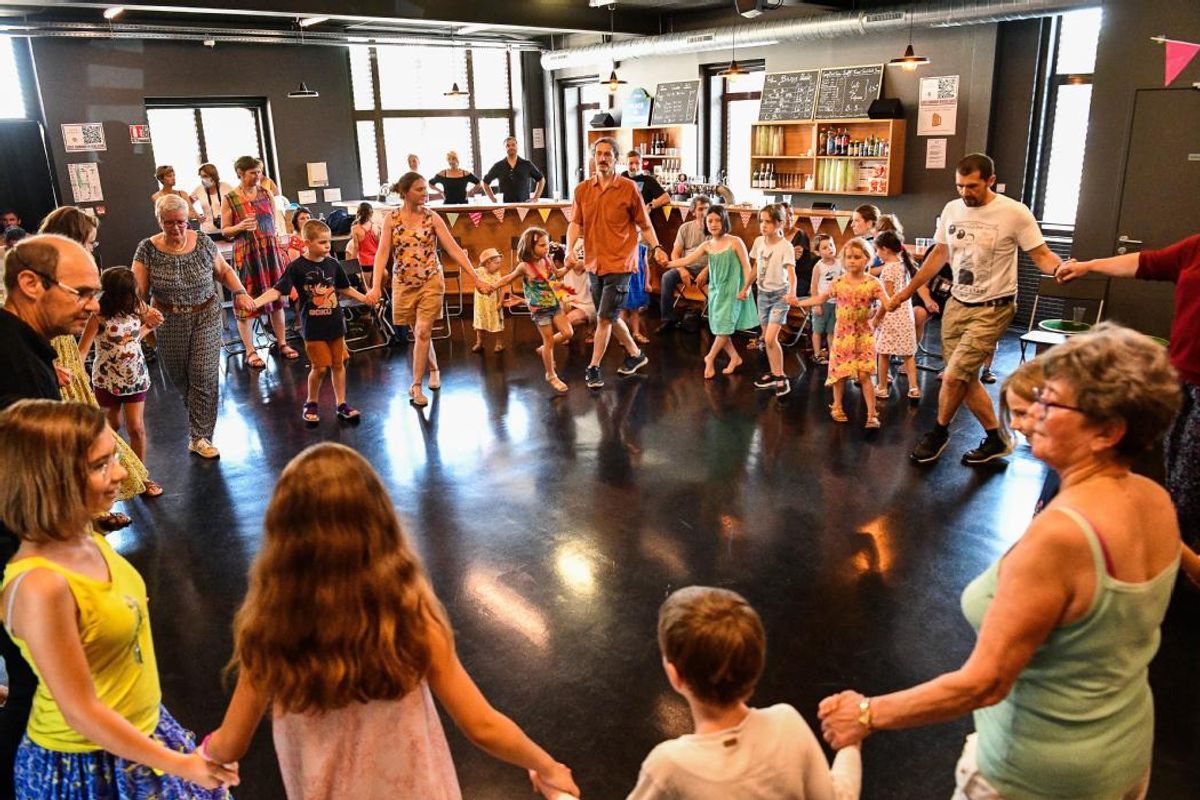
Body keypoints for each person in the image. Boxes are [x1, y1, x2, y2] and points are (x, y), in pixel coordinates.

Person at [818, 323, 1183, 800]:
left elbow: (984, 684)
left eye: (1052, 405)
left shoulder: (1062, 536)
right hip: (1124, 754)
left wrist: (865, 714)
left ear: (1108, 432)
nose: (1032, 414)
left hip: (1034, 774)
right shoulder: (1154, 500)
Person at [202, 442, 578, 799]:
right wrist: (546, 766)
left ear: (283, 536)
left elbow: (231, 743)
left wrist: (201, 752)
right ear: (377, 523)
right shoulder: (407, 615)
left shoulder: (270, 630)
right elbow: (481, 725)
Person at [0, 401, 239, 799]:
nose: (123, 473)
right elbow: (81, 711)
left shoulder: (86, 538)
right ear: (48, 479)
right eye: (100, 465)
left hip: (141, 728)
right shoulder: (40, 587)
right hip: (89, 765)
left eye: (114, 458)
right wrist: (182, 765)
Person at [0, 234, 102, 796]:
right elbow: (23, 483)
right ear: (30, 284)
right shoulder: (16, 364)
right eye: (80, 292)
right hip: (13, 554)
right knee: (39, 683)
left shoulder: (29, 352)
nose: (92, 303)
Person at [886, 153, 1062, 466]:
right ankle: (996, 438)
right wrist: (906, 293)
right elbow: (939, 255)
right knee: (965, 378)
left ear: (990, 180)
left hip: (994, 307)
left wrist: (1062, 269)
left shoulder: (1014, 213)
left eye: (973, 186)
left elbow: (1043, 256)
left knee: (953, 376)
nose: (965, 193)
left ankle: (938, 432)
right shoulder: (952, 209)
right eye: (960, 186)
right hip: (957, 303)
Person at [621, 586, 860, 800]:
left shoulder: (668, 767)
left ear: (675, 675)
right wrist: (851, 743)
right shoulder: (788, 724)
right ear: (756, 666)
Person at [1056, 234, 1200, 551]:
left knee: (1191, 480)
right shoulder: (1195, 248)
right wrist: (1088, 266)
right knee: (1176, 467)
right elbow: (1144, 263)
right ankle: (1175, 552)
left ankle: (1180, 563)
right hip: (1183, 378)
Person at [38, 207, 155, 518]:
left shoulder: (60, 275)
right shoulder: (39, 275)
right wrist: (47, 362)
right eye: (89, 243)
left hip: (66, 359)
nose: (92, 249)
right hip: (53, 359)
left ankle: (95, 506)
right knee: (74, 436)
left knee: (85, 434)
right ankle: (86, 508)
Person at [134, 194, 257, 459]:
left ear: (187, 220)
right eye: (169, 223)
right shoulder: (147, 248)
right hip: (168, 321)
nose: (176, 228)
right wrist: (144, 312)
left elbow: (223, 271)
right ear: (159, 221)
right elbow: (138, 292)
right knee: (181, 378)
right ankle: (200, 418)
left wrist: (239, 292)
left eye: (180, 222)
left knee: (203, 375)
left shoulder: (201, 241)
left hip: (206, 315)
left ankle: (200, 437)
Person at [367, 172, 475, 407]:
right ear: (405, 192)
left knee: (423, 330)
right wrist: (375, 286)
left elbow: (454, 250)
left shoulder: (432, 218)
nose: (425, 193)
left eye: (426, 189)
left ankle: (416, 386)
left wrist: (476, 278)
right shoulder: (391, 219)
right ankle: (434, 368)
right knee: (419, 332)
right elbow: (382, 253)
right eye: (419, 189)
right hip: (403, 283)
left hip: (430, 281)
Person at [566, 136, 666, 389]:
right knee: (609, 315)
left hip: (621, 263)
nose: (602, 158)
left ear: (615, 159)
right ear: (593, 157)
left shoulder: (629, 189)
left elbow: (645, 224)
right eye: (598, 154)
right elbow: (575, 224)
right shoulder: (582, 190)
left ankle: (594, 367)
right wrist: (569, 250)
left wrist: (657, 247)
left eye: (608, 154)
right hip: (594, 264)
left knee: (602, 319)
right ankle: (636, 355)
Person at [251, 219, 369, 424]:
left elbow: (344, 288)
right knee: (320, 367)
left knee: (338, 364)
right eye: (322, 242)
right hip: (313, 328)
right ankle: (311, 402)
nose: (327, 246)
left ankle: (341, 403)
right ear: (307, 242)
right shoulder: (297, 267)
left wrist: (364, 298)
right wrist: (256, 302)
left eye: (329, 242)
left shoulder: (333, 264)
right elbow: (278, 290)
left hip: (335, 325)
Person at [77, 267, 162, 495]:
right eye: (129, 292)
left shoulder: (135, 309)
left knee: (136, 427)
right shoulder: (98, 317)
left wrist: (148, 327)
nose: (134, 295)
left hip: (135, 378)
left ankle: (142, 478)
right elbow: (82, 350)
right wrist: (78, 373)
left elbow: (131, 341)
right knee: (111, 427)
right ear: (117, 293)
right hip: (107, 380)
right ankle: (110, 472)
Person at [791, 238, 886, 429]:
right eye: (849, 257)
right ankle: (837, 405)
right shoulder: (839, 282)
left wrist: (878, 316)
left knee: (865, 374)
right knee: (840, 373)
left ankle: (871, 413)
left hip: (863, 335)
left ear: (867, 259)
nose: (852, 261)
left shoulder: (873, 283)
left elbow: (886, 301)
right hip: (843, 334)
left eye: (857, 257)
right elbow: (820, 297)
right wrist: (799, 302)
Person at [220, 154, 297, 368]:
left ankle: (282, 343)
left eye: (259, 171)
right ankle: (250, 351)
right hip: (246, 254)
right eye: (253, 172)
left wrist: (280, 248)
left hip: (269, 251)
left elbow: (274, 222)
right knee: (246, 301)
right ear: (240, 173)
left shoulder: (266, 192)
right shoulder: (230, 198)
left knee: (276, 299)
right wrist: (240, 227)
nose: (258, 176)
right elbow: (225, 230)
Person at [666, 206, 757, 380]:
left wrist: (746, 287)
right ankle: (735, 358)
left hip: (733, 290)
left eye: (717, 220)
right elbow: (687, 259)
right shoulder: (707, 245)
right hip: (716, 290)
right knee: (721, 327)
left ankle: (710, 357)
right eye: (710, 221)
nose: (714, 224)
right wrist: (668, 264)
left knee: (724, 325)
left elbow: (747, 266)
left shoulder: (735, 241)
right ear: (706, 224)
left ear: (724, 221)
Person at [490, 227, 574, 394]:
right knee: (549, 340)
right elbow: (508, 278)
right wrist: (491, 286)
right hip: (539, 309)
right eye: (542, 245)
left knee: (568, 332)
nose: (547, 248)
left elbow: (557, 274)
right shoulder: (524, 266)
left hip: (554, 303)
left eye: (547, 244)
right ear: (531, 247)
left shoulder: (547, 260)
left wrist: (569, 267)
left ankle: (544, 349)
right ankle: (551, 375)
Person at [620, 150, 669, 345]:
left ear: (641, 163)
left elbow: (666, 197)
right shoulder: (621, 179)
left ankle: (643, 302)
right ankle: (625, 328)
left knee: (643, 266)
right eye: (630, 163)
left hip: (644, 232)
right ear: (626, 163)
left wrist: (651, 204)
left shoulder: (648, 181)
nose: (633, 166)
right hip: (624, 234)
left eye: (636, 163)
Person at [749, 203, 797, 397]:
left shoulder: (786, 247)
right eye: (761, 221)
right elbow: (754, 268)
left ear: (779, 223)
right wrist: (745, 287)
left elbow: (791, 274)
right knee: (767, 338)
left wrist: (792, 293)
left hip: (780, 295)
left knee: (770, 338)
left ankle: (782, 378)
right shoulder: (759, 242)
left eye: (768, 222)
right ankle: (776, 373)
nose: (763, 225)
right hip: (762, 294)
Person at [871, 230, 920, 402]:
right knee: (908, 353)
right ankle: (914, 388)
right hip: (906, 315)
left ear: (884, 250)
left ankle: (882, 387)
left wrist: (877, 317)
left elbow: (888, 300)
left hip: (891, 317)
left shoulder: (888, 270)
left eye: (877, 250)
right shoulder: (904, 264)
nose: (876, 254)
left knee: (883, 353)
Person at [658, 194, 710, 333]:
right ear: (693, 212)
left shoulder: (715, 228)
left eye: (706, 208)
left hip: (710, 268)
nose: (704, 212)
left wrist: (706, 271)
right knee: (667, 277)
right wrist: (682, 270)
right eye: (700, 209)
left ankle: (714, 320)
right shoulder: (685, 228)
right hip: (687, 266)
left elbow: (719, 256)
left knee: (721, 279)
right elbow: (675, 253)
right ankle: (667, 319)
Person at [808, 234, 841, 365]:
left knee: (832, 331)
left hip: (836, 303)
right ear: (818, 251)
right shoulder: (818, 266)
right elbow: (814, 286)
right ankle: (817, 354)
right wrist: (816, 304)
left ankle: (832, 354)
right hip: (822, 302)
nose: (830, 249)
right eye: (825, 247)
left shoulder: (839, 264)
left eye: (831, 245)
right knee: (817, 330)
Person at [482, 137, 544, 204]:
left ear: (517, 146)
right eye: (508, 146)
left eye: (513, 145)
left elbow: (541, 180)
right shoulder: (498, 166)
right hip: (504, 207)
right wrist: (493, 199)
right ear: (505, 148)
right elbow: (485, 183)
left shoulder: (527, 164)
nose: (511, 147)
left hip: (525, 206)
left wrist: (535, 198)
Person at [470, 247, 507, 354]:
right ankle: (479, 342)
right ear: (487, 263)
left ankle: (499, 343)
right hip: (481, 305)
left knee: (497, 324)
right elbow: (470, 271)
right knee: (480, 324)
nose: (499, 265)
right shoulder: (480, 272)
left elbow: (503, 289)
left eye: (500, 263)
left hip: (493, 304)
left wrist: (500, 302)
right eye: (496, 263)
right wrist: (466, 257)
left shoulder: (497, 274)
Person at [192, 163, 234, 240]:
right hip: (208, 232)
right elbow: (186, 204)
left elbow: (237, 203)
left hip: (226, 230)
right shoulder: (199, 189)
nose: (204, 179)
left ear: (213, 175)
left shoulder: (226, 186)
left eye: (205, 176)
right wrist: (197, 216)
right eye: (201, 177)